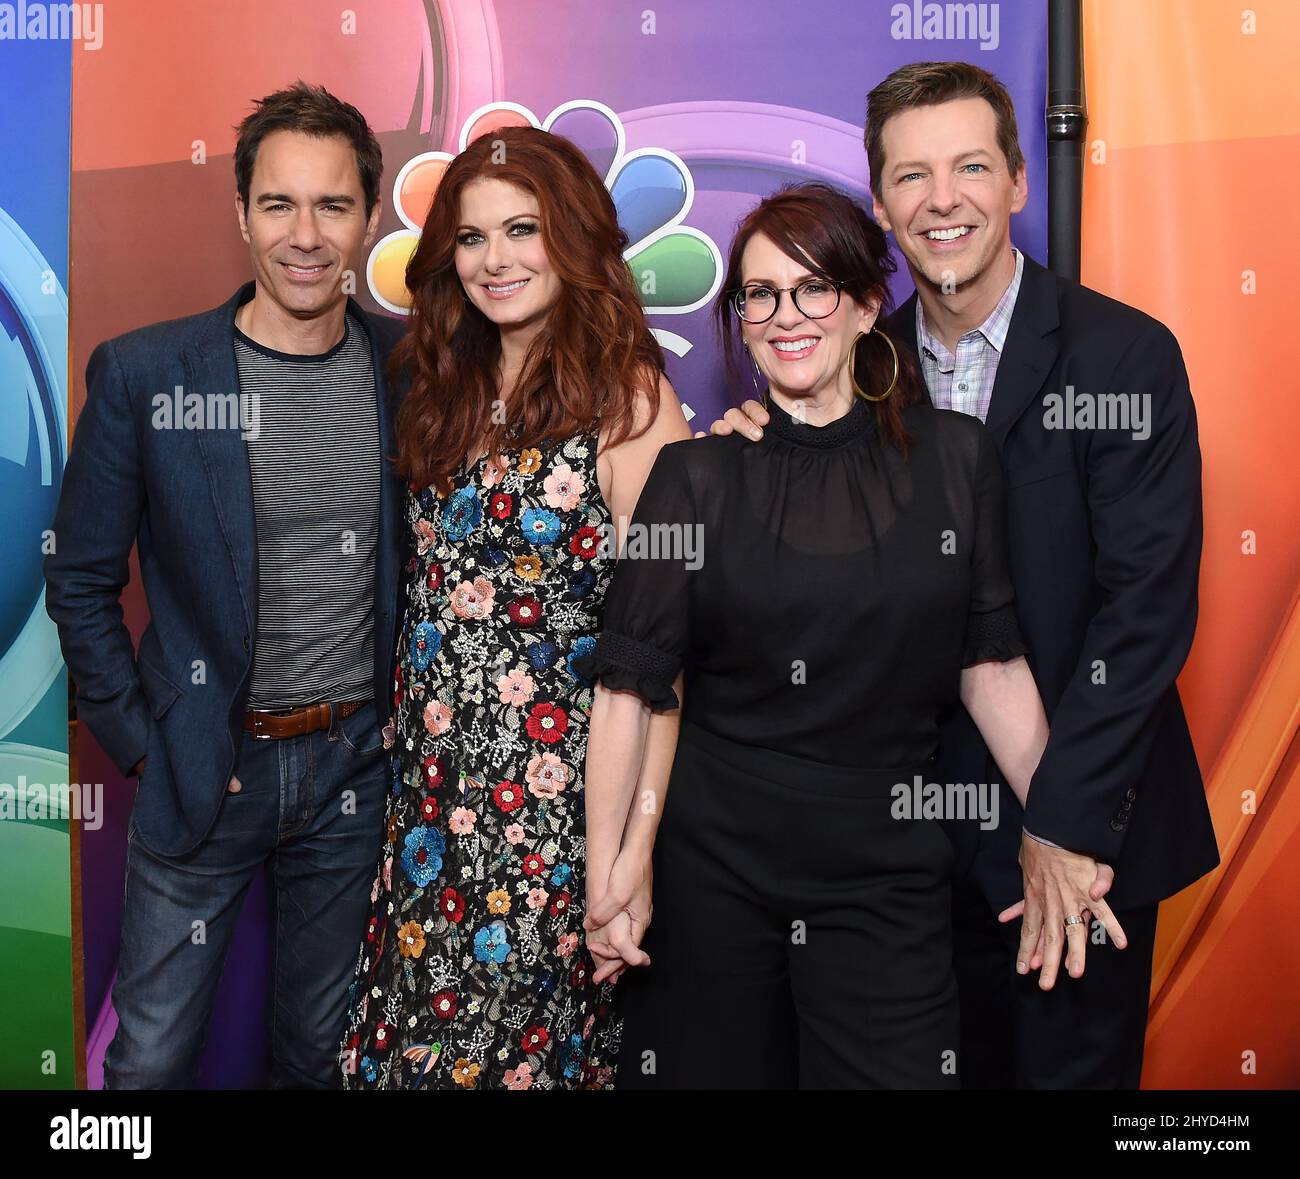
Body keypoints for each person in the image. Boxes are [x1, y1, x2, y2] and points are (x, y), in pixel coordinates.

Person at [713, 62, 1219, 1089]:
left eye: (970, 167)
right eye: (911, 176)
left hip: (1088, 838)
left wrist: (1061, 828)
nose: (942, 199)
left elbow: (1145, 614)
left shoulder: (1121, 359)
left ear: (1019, 183)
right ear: (884, 204)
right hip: (905, 857)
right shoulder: (855, 368)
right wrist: (751, 451)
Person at [576, 182, 1063, 1089]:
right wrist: (612, 874)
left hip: (886, 869)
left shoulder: (956, 462)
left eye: (813, 289)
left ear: (869, 302)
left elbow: (990, 666)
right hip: (713, 864)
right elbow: (629, 686)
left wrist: (1064, 819)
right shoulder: (698, 475)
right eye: (760, 294)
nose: (784, 315)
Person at [44, 82, 405, 1088]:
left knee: (320, 1053)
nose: (306, 234)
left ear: (368, 217)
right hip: (206, 766)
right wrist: (143, 745)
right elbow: (78, 578)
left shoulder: (408, 367)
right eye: (279, 204)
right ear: (239, 211)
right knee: (151, 1058)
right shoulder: (149, 374)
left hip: (354, 771)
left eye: (332, 206)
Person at [337, 125, 690, 1091]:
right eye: (472, 236)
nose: (496, 260)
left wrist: (629, 853)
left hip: (554, 811)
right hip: (427, 802)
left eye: (523, 230)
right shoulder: (438, 383)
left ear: (571, 236)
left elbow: (662, 660)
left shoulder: (629, 400)